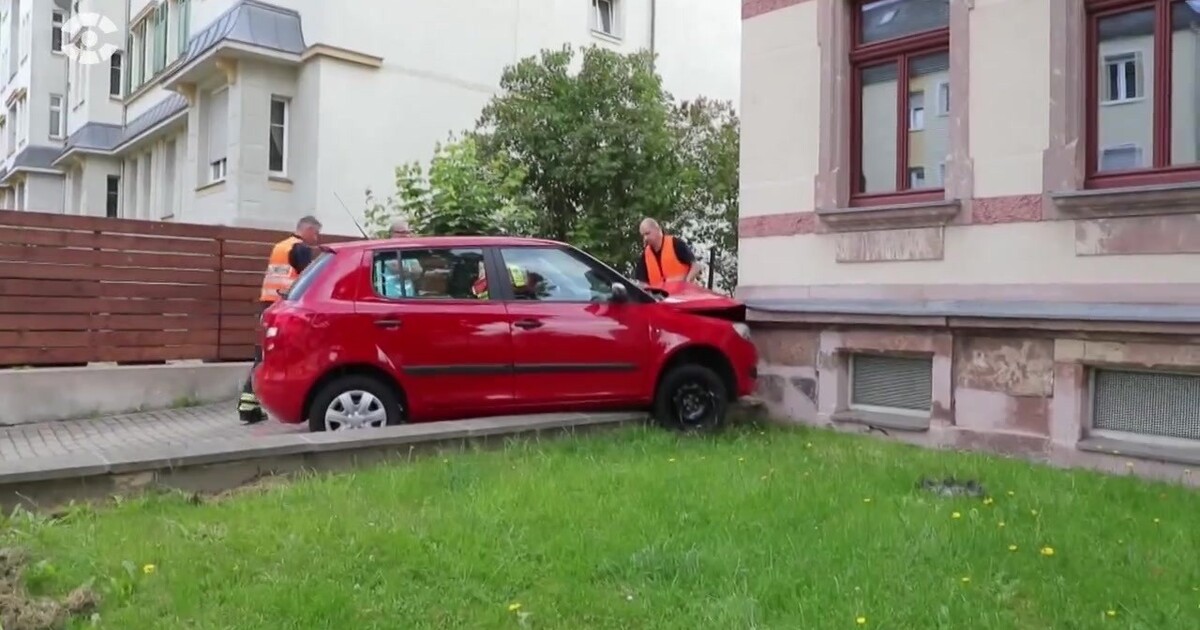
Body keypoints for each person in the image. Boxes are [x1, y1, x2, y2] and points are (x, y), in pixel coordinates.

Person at [237, 216, 322, 424]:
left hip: (268, 307)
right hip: (286, 309)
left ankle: (248, 404)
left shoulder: (280, 247)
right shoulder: (300, 249)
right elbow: (309, 280)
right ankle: (254, 404)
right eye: (316, 233)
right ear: (308, 229)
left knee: (263, 355)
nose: (317, 238)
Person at [633, 218, 700, 288]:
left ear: (657, 229)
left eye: (647, 233)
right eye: (643, 235)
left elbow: (696, 266)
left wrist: (687, 281)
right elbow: (641, 283)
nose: (645, 238)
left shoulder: (675, 244)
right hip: (660, 297)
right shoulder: (645, 256)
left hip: (683, 295)